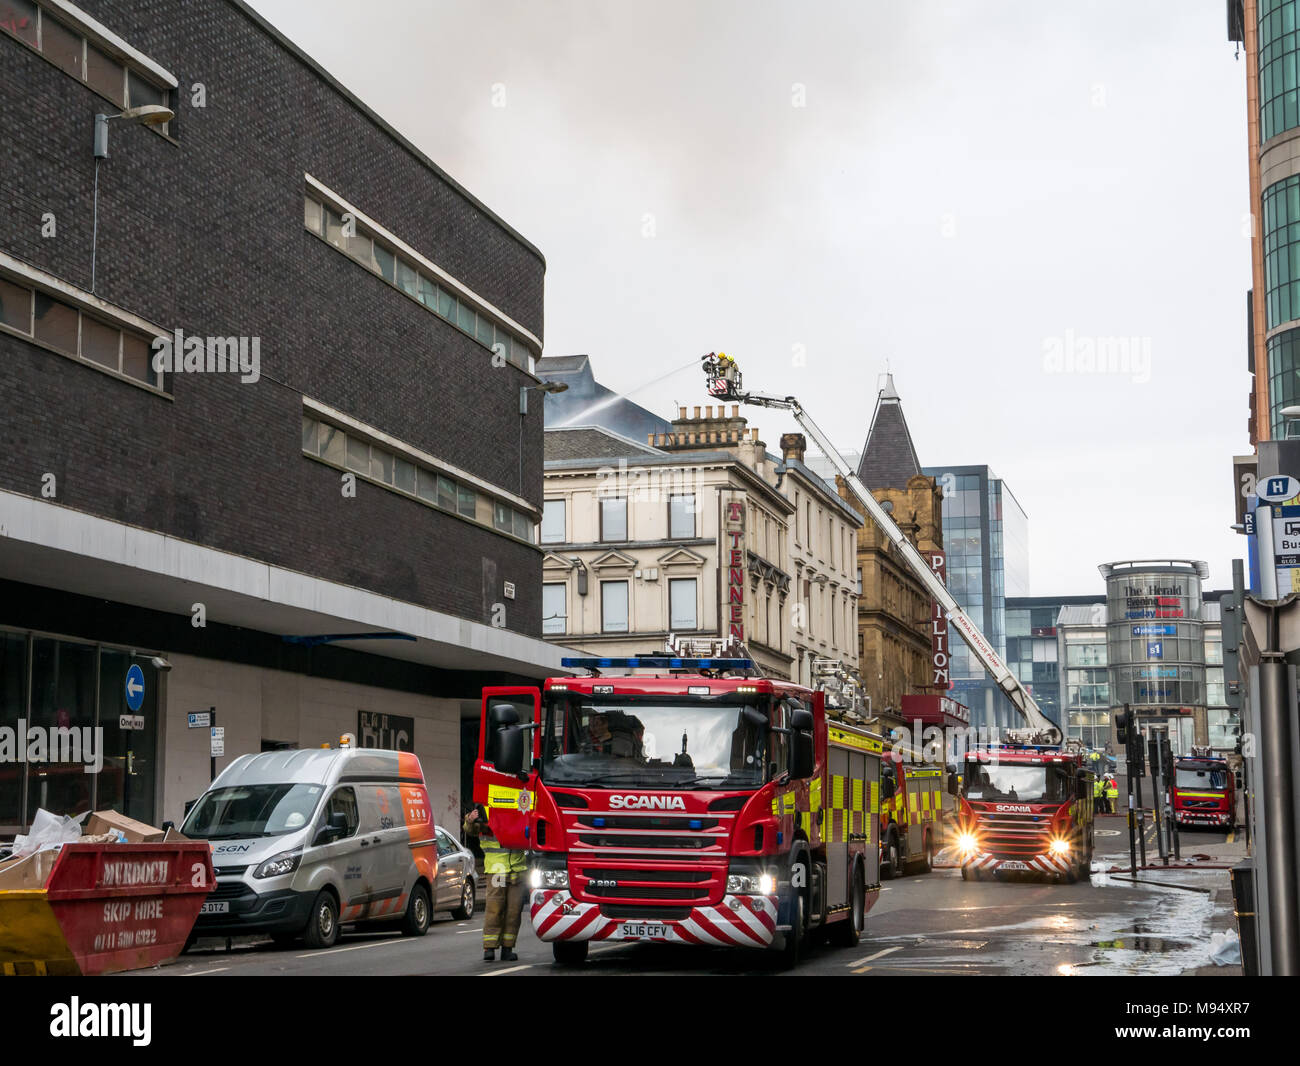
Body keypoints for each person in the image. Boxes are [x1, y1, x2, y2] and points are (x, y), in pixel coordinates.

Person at [463, 804, 527, 963]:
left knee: (514, 911)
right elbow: (471, 829)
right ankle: (489, 948)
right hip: (497, 868)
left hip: (517, 869)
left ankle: (507, 948)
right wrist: (470, 820)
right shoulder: (486, 808)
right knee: (494, 908)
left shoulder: (522, 803)